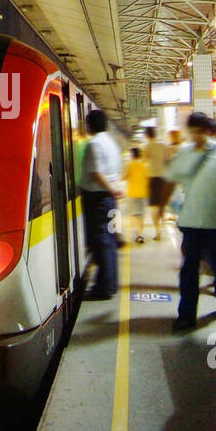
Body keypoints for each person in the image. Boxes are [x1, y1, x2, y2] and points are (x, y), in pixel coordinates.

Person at [166, 112, 216, 330]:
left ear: (206, 131)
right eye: (191, 132)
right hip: (191, 222)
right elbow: (172, 179)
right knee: (189, 270)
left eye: (197, 132)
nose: (194, 136)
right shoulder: (184, 153)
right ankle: (186, 315)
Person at [80, 109, 122, 299]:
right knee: (110, 241)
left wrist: (111, 190)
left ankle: (103, 288)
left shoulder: (94, 144)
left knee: (102, 241)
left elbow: (97, 173)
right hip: (109, 198)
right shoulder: (111, 143)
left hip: (98, 198)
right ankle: (111, 284)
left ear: (89, 125)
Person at [142, 126, 169, 241]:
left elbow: (143, 161)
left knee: (153, 206)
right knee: (162, 204)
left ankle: (157, 231)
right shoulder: (163, 145)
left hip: (152, 178)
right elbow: (168, 159)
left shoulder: (147, 146)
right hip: (164, 178)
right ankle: (162, 225)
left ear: (147, 135)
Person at [124, 147, 149, 244]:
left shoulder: (130, 164)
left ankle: (138, 234)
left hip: (133, 193)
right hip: (143, 193)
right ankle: (140, 234)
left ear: (132, 155)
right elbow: (148, 179)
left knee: (135, 215)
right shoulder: (145, 165)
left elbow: (125, 176)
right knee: (141, 215)